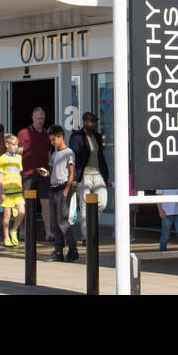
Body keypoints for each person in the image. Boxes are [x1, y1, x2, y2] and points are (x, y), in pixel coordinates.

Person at [69, 112, 109, 245]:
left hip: (97, 173)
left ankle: (91, 224)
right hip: (83, 174)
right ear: (85, 122)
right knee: (85, 206)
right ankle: (86, 236)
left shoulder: (97, 136)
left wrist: (106, 175)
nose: (94, 124)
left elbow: (101, 157)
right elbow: (73, 156)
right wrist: (74, 177)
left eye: (95, 121)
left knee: (102, 202)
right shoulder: (77, 137)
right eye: (92, 121)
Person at [17, 107, 53, 241]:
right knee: (26, 203)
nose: (40, 121)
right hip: (27, 174)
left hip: (43, 175)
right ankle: (23, 230)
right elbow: (18, 154)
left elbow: (49, 155)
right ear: (32, 118)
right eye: (38, 118)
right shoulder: (23, 133)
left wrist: (50, 173)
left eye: (42, 118)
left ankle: (49, 232)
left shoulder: (47, 135)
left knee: (46, 202)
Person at [47, 125, 77, 262]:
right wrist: (47, 174)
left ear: (61, 137)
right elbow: (53, 171)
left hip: (63, 188)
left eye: (54, 140)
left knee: (62, 220)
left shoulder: (68, 153)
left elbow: (72, 172)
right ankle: (58, 250)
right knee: (54, 222)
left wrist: (67, 189)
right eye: (51, 141)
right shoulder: (54, 154)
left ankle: (72, 249)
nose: (52, 143)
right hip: (54, 187)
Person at [0, 134, 26, 246]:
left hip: (17, 189)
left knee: (22, 212)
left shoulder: (18, 158)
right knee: (6, 215)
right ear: (7, 145)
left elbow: (19, 173)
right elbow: (0, 175)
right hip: (7, 190)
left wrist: (21, 187)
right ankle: (6, 236)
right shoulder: (2, 159)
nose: (16, 147)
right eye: (13, 145)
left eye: (17, 145)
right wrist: (2, 191)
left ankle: (14, 230)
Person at [158, 188, 178, 255]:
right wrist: (160, 210)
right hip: (166, 212)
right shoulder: (161, 182)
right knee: (165, 235)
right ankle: (162, 252)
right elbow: (158, 197)